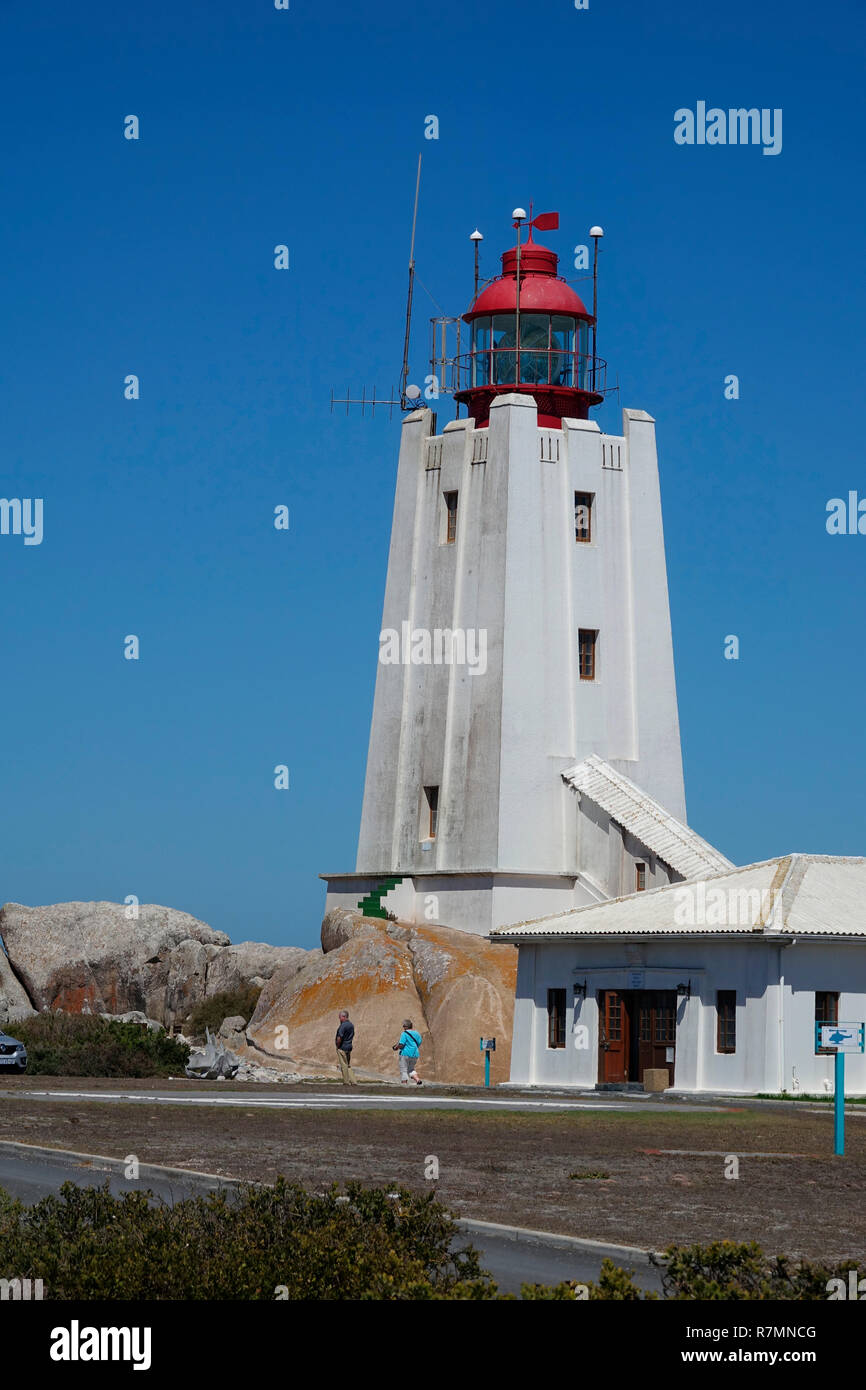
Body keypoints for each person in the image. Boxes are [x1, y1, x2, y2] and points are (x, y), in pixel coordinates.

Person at [395, 1019, 423, 1085]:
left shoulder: (404, 1033)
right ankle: (418, 1080)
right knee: (411, 1069)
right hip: (415, 1054)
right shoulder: (417, 1033)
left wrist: (396, 1047)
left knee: (403, 1069)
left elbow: (401, 1044)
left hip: (405, 1054)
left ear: (405, 1026)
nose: (403, 1027)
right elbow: (419, 1043)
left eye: (403, 1026)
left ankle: (404, 1085)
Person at [335, 1010, 356, 1085]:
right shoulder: (351, 1025)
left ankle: (346, 1082)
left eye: (340, 1017)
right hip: (349, 1046)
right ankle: (354, 1081)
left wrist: (338, 1046)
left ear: (344, 1017)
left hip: (342, 1047)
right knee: (348, 1065)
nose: (339, 1019)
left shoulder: (343, 1025)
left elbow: (339, 1037)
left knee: (344, 1065)